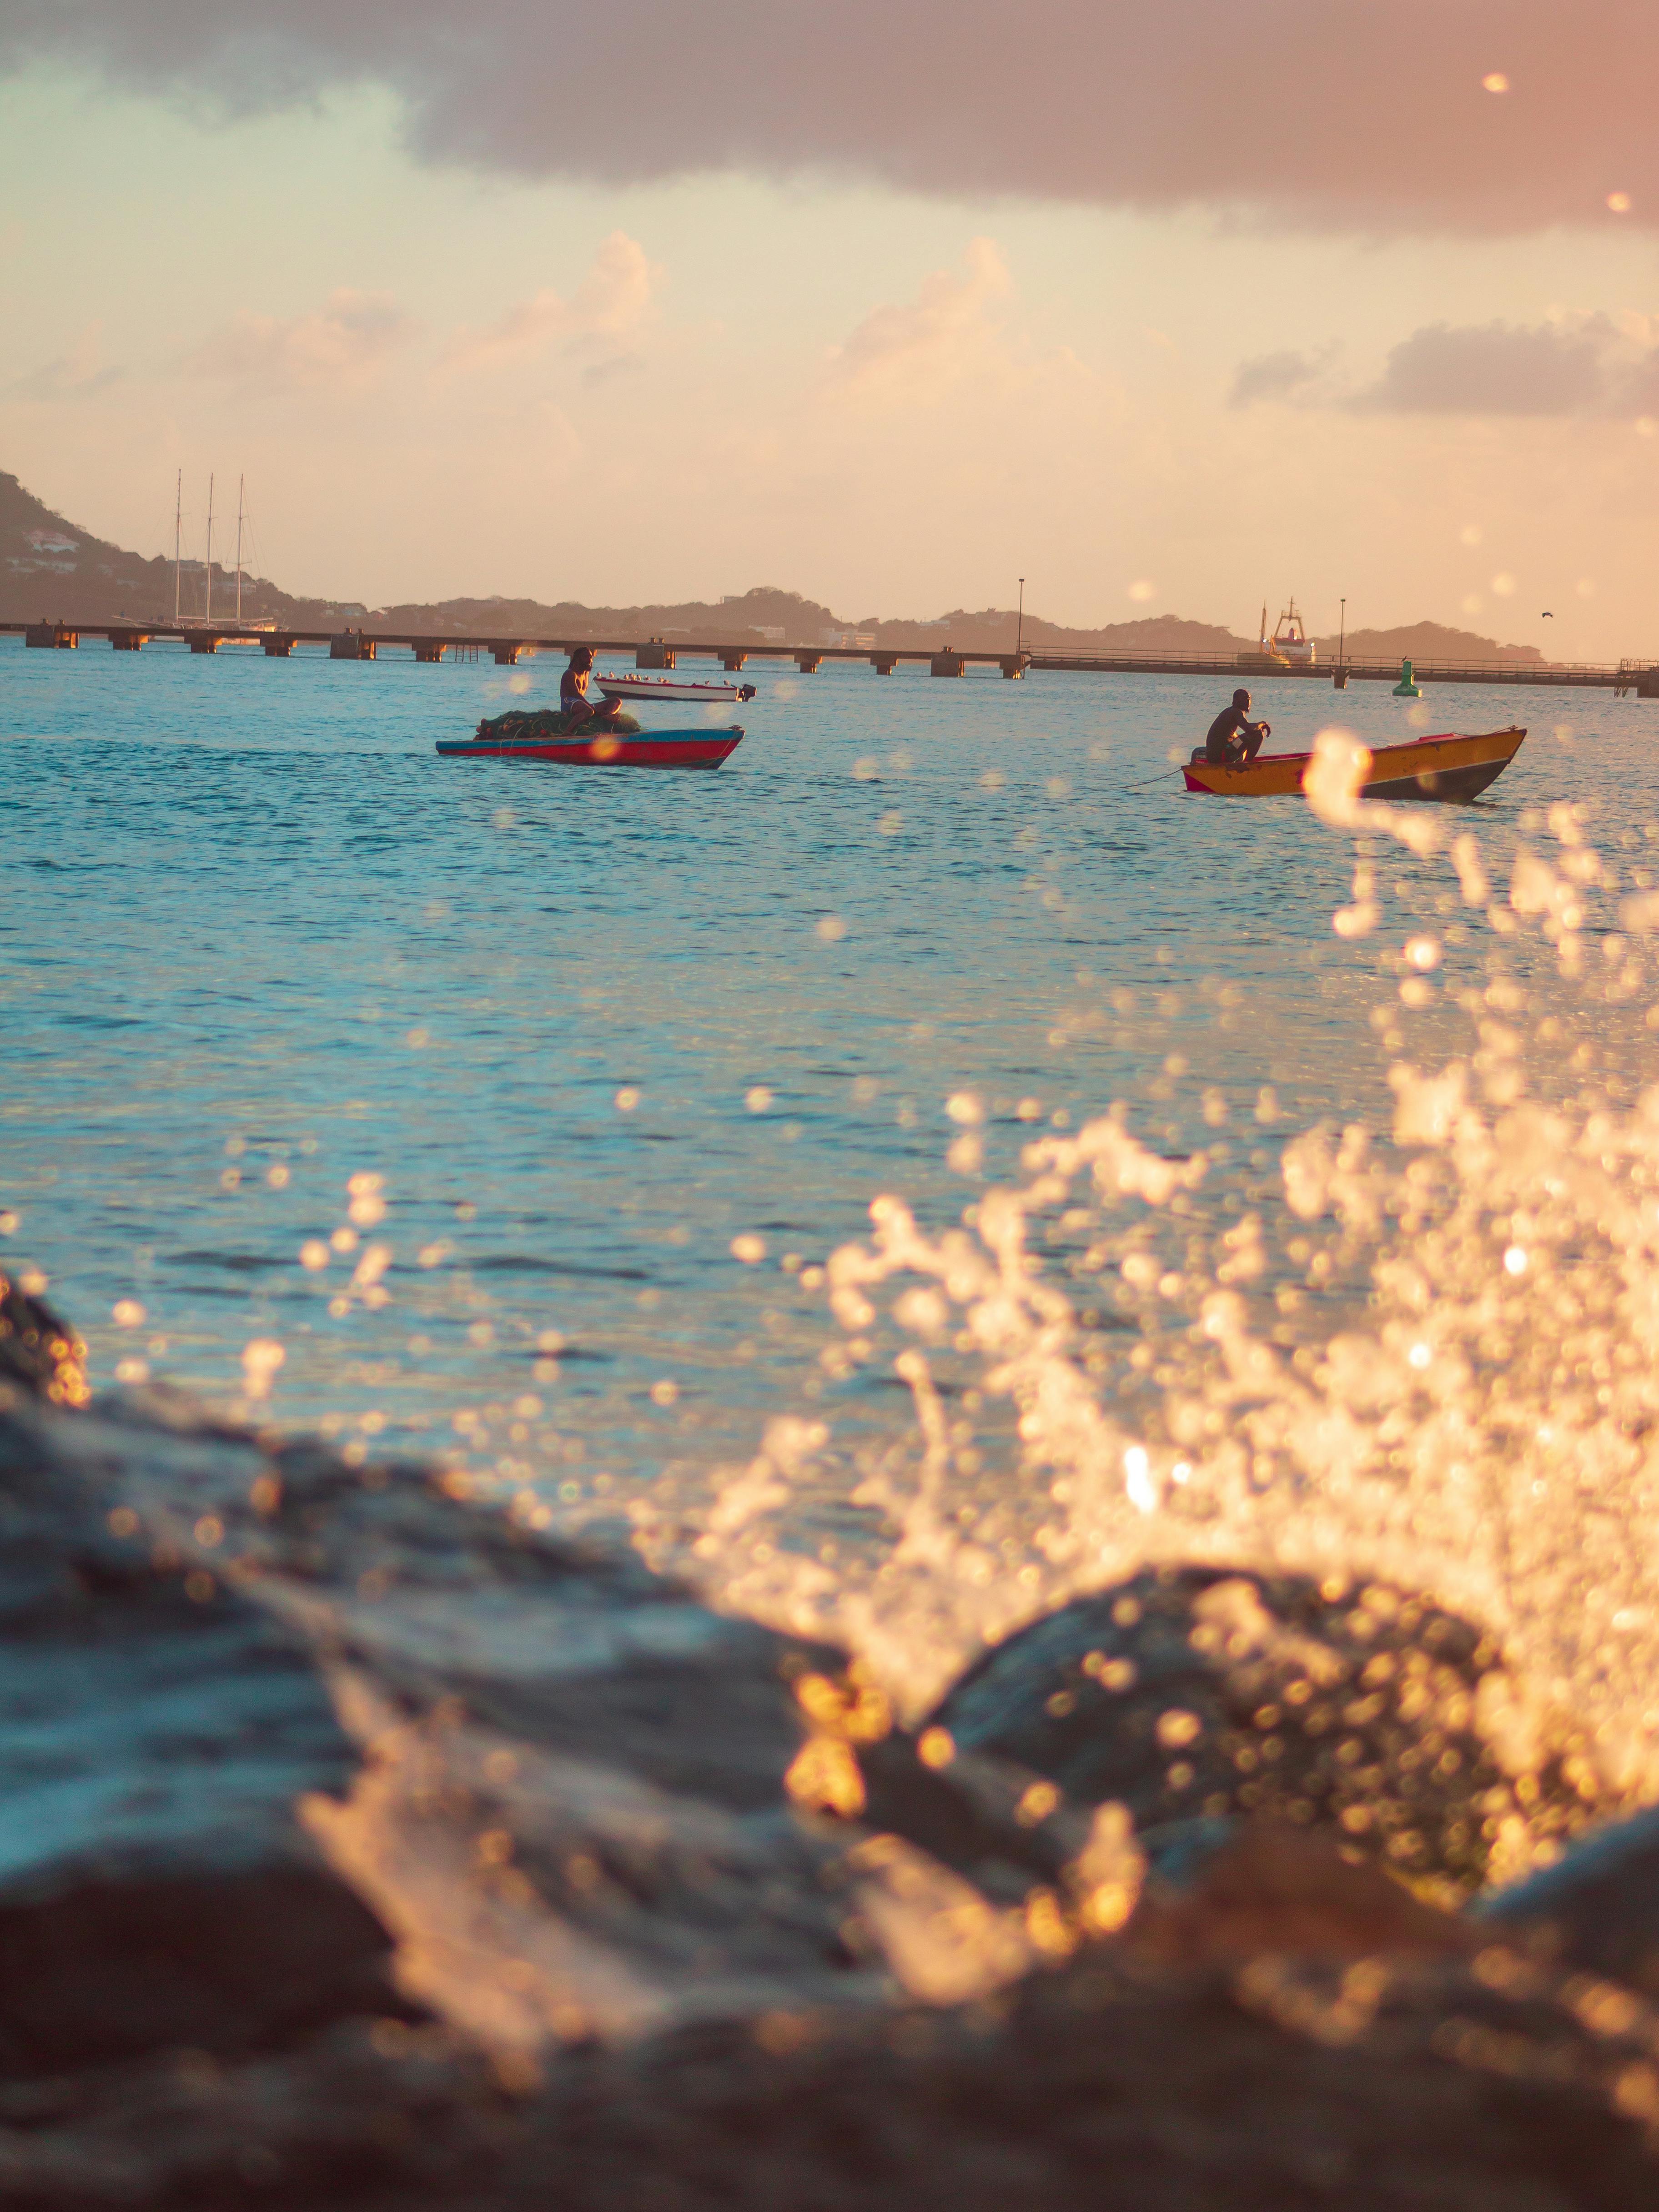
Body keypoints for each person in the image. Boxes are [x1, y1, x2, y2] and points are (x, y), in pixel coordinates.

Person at [560, 646, 622, 730]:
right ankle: (568, 731)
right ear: (578, 659)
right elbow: (576, 695)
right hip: (569, 703)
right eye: (586, 657)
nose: (590, 660)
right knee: (590, 711)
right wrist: (591, 708)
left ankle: (607, 716)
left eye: (591, 657)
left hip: (583, 705)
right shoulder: (571, 674)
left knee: (617, 701)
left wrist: (592, 708)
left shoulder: (586, 674)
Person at [1203, 689, 1269, 767]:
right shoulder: (1236, 712)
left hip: (1217, 755)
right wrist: (1263, 724)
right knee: (1258, 733)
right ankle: (1248, 765)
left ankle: (1243, 762)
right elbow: (1249, 729)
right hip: (1223, 753)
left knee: (1241, 738)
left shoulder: (1228, 711)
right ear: (1237, 700)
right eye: (1246, 699)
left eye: (1249, 699)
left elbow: (1231, 735)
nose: (1248, 702)